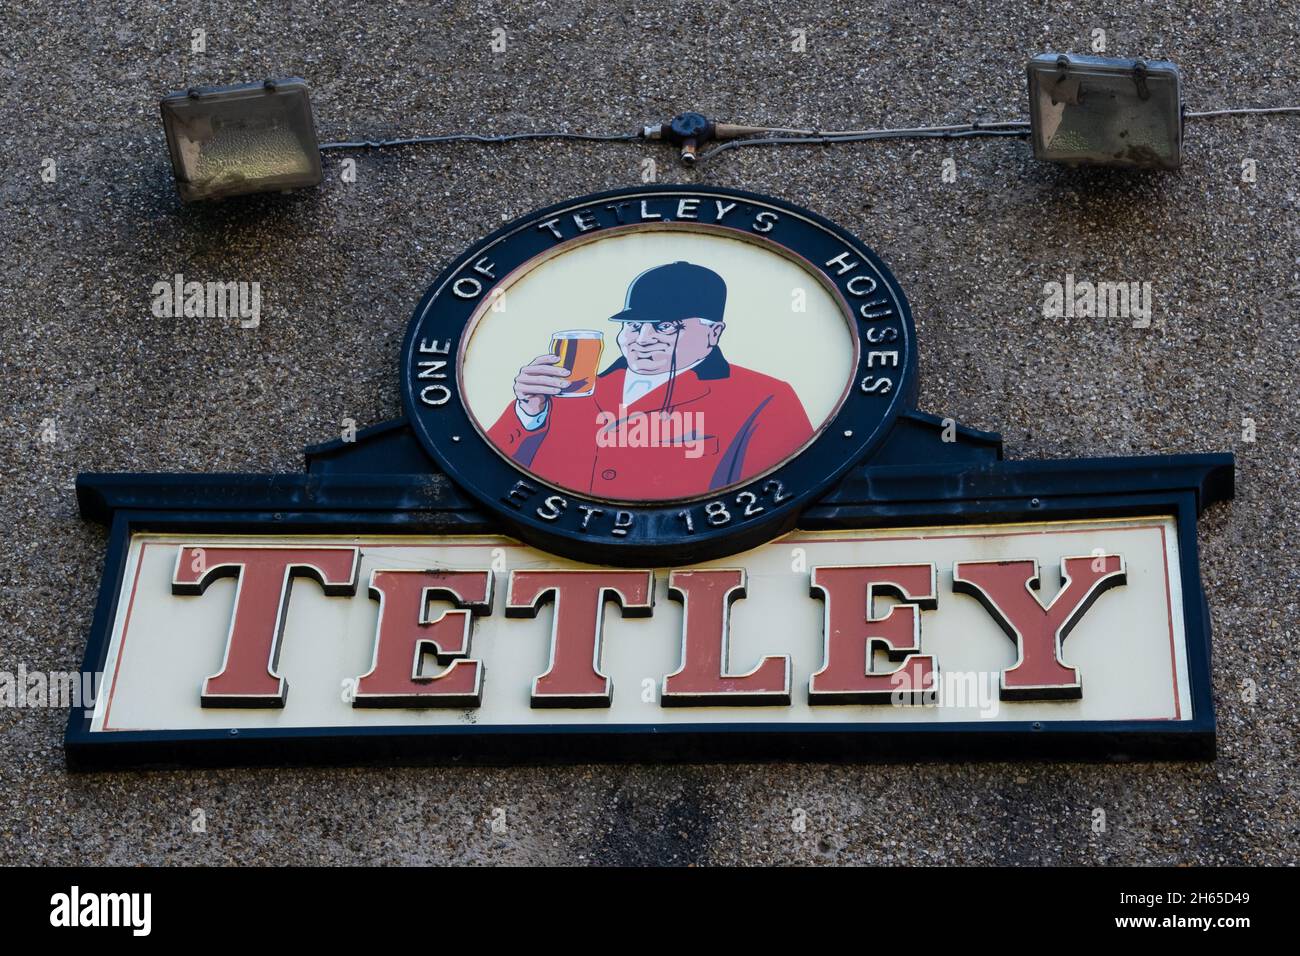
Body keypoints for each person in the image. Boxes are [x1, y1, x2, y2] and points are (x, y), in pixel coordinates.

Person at [487, 261, 813, 499]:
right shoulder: (568, 393)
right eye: (633, 325)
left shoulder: (765, 398)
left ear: (713, 333)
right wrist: (528, 414)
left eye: (665, 326)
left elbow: (784, 494)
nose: (642, 339)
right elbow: (487, 478)